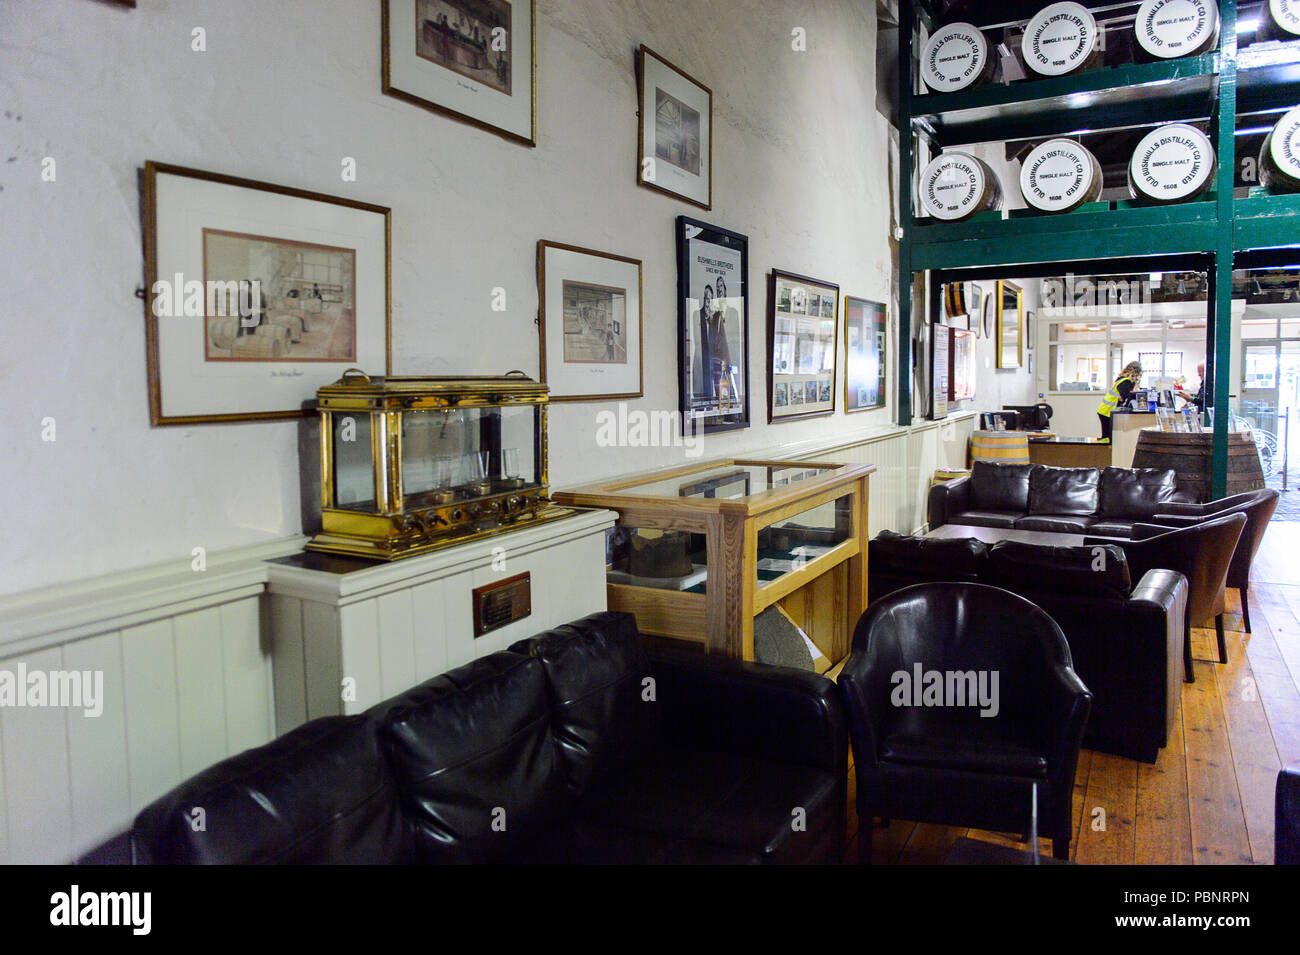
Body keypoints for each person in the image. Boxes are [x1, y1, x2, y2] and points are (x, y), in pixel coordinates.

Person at [1097, 361, 1142, 444]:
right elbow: (1124, 397)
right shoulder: (1127, 382)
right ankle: (1103, 455)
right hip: (1108, 411)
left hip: (1104, 410)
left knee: (1107, 437)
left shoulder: (1121, 379)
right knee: (1109, 439)